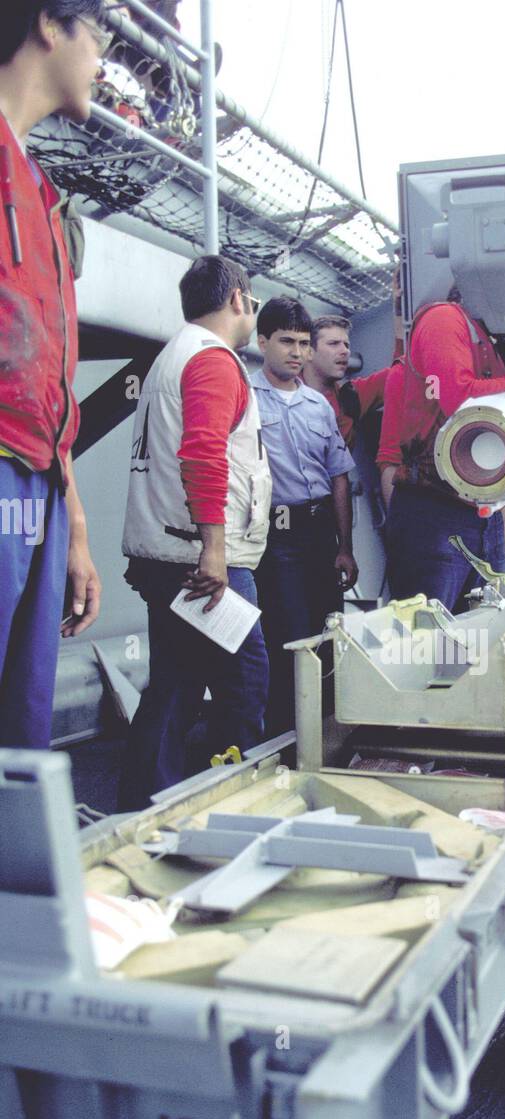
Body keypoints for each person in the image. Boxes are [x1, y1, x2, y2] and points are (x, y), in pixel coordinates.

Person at [117, 255, 271, 810]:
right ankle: (228, 804)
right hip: (199, 563)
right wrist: (215, 550)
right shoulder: (212, 360)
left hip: (166, 552)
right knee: (244, 681)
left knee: (176, 685)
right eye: (251, 303)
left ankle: (142, 808)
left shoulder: (172, 357)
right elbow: (203, 453)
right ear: (237, 299)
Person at [0, 0, 105, 753]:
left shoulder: (38, 189)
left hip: (36, 479)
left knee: (22, 723)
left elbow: (49, 382)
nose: (104, 59)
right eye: (98, 33)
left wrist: (73, 524)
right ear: (48, 22)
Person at [380, 292, 505, 609]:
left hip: (481, 511)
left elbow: (488, 437)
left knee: (480, 635)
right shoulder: (443, 319)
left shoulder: (482, 337)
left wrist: (498, 522)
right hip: (436, 515)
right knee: (426, 641)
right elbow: (461, 398)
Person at [252, 297, 358, 735]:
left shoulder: (318, 407)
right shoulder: (246, 399)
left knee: (328, 633)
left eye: (301, 343)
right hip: (276, 536)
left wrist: (346, 549)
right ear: (262, 343)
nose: (296, 352)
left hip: (320, 536)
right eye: (285, 342)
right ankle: (287, 738)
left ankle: (328, 734)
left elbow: (339, 478)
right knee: (289, 638)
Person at [302, 313, 401, 452]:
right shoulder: (284, 397)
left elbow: (399, 374)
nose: (345, 351)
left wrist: (400, 312)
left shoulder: (349, 396)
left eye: (346, 345)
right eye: (334, 343)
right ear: (309, 352)